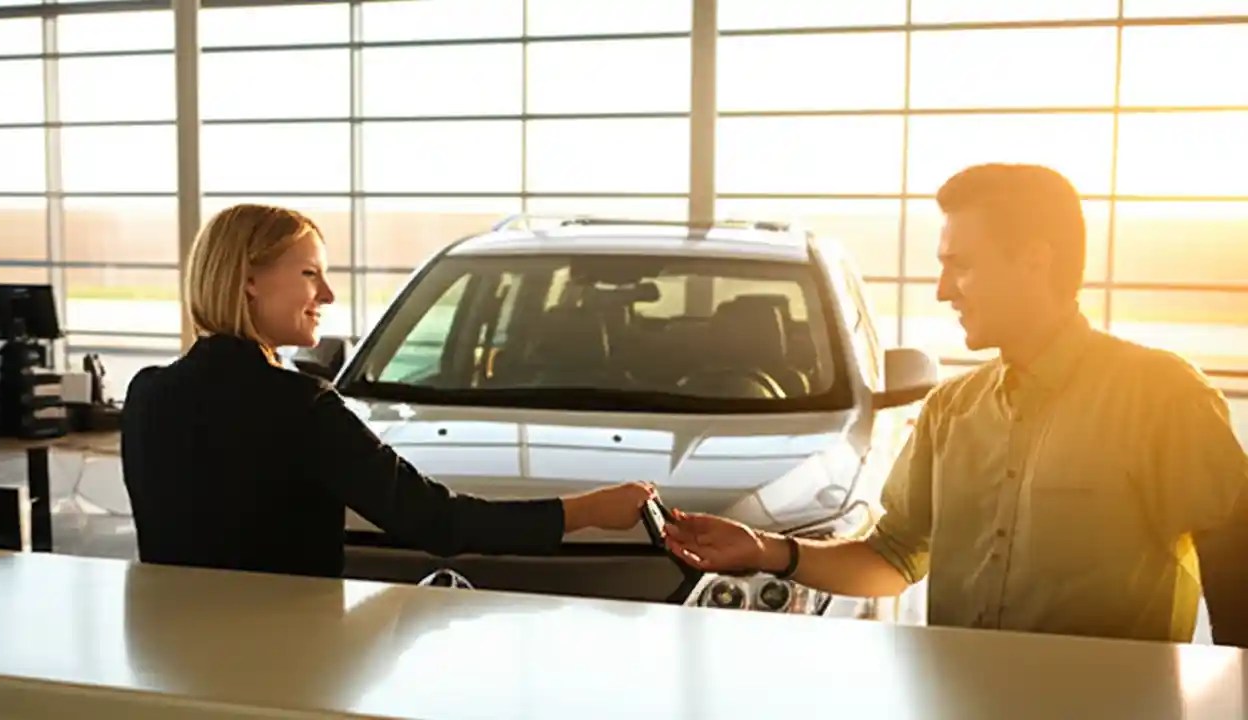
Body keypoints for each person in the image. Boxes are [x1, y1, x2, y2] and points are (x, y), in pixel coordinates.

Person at [664, 163, 1248, 646]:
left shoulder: (1163, 399)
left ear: (1035, 262)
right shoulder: (951, 411)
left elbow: (1236, 565)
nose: (943, 291)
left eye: (960, 265)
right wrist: (765, 550)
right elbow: (893, 559)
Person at [121, 203, 655, 579]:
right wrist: (585, 511)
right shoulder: (300, 406)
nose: (326, 294)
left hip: (176, 656)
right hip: (281, 658)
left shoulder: (146, 395)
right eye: (310, 274)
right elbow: (436, 521)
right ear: (248, 280)